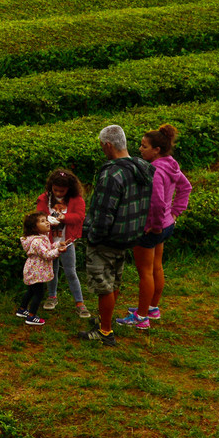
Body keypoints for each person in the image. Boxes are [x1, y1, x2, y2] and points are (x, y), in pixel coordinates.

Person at [79, 124, 154, 346]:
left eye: (102, 146)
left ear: (108, 145)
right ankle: (106, 320)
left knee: (104, 286)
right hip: (127, 236)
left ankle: (105, 332)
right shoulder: (142, 167)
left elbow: (104, 212)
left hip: (107, 239)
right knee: (114, 281)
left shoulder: (112, 174)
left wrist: (93, 236)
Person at [118, 123, 192, 329]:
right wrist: (174, 213)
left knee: (145, 272)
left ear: (157, 150)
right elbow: (186, 187)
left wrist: (157, 224)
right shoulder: (171, 164)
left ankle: (141, 318)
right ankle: (152, 308)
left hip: (151, 228)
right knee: (156, 267)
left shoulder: (156, 171)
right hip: (167, 225)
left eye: (144, 146)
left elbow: (157, 203)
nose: (140, 149)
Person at [38, 168, 89, 318]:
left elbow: (80, 216)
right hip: (49, 242)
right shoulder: (44, 198)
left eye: (62, 191)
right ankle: (52, 296)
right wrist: (47, 219)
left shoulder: (76, 199)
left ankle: (80, 303)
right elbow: (39, 215)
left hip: (66, 242)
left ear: (69, 188)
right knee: (52, 271)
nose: (58, 193)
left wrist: (64, 218)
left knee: (70, 271)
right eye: (56, 190)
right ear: (51, 187)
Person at [17, 211, 68, 326]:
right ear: (34, 228)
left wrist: (58, 244)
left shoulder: (40, 238)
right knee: (39, 294)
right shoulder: (37, 241)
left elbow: (48, 248)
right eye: (42, 221)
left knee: (31, 291)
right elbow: (47, 255)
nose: (47, 223)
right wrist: (58, 251)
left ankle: (22, 309)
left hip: (33, 270)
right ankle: (31, 316)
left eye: (46, 220)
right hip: (36, 271)